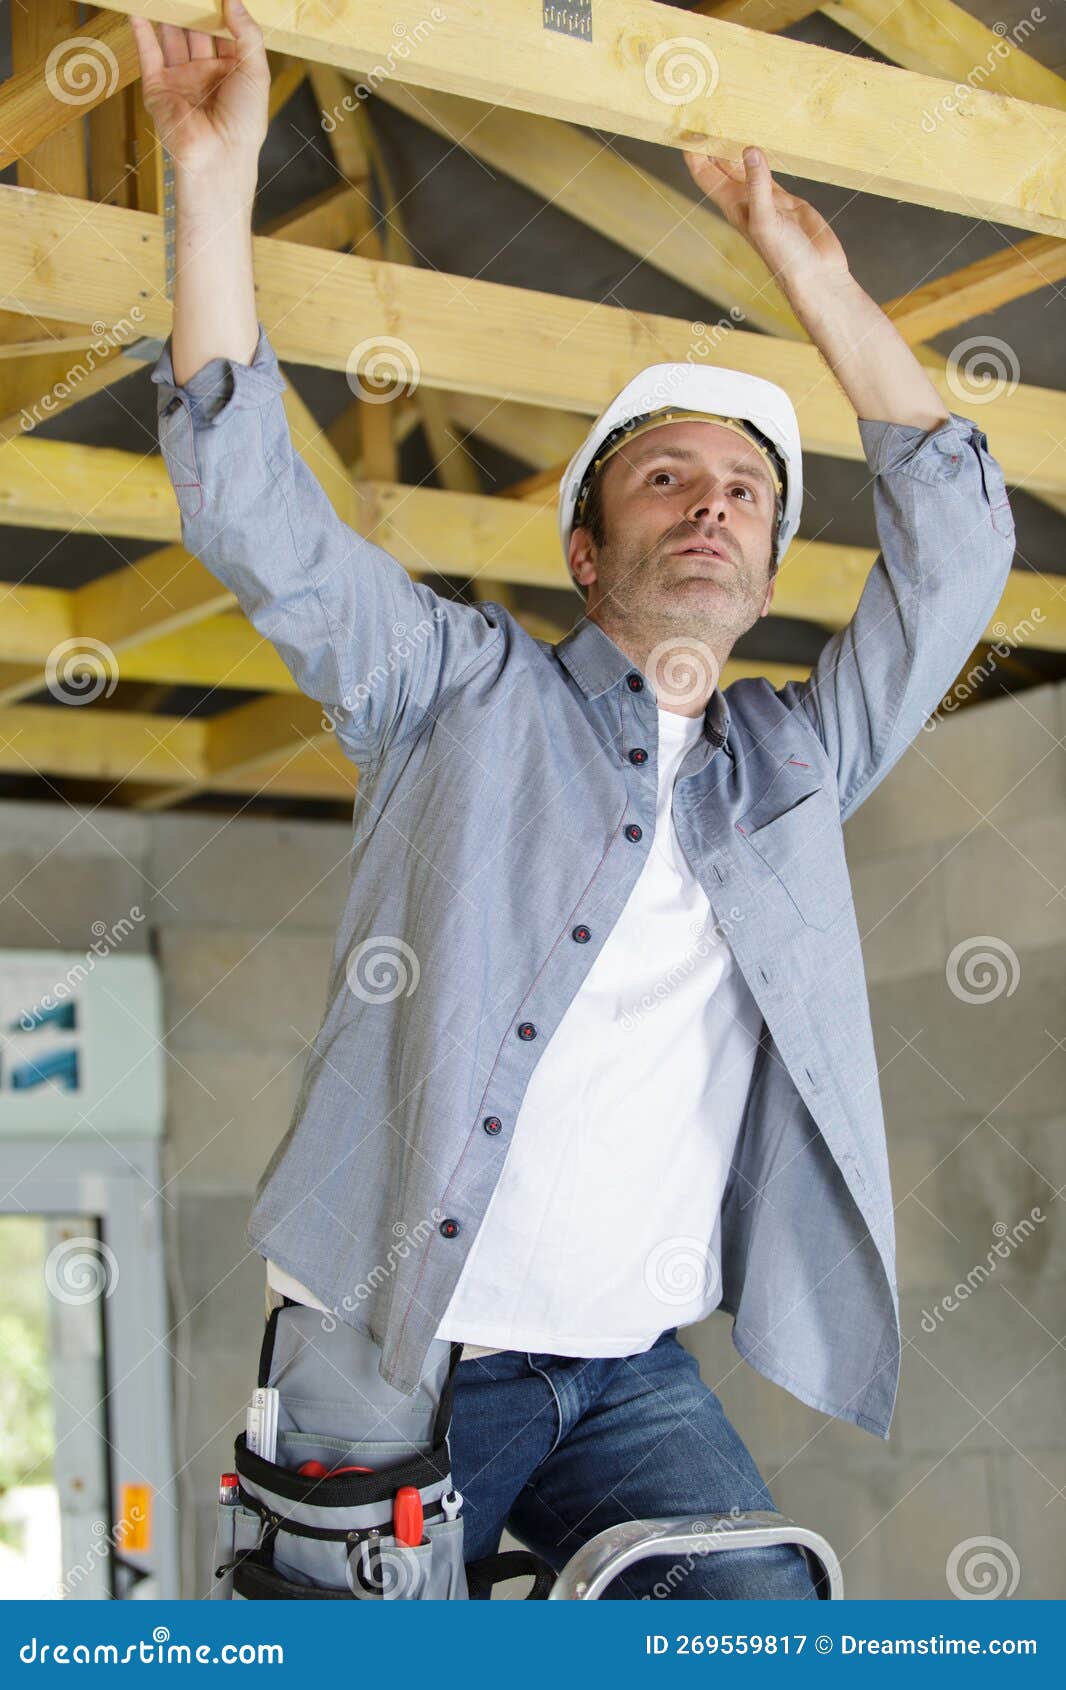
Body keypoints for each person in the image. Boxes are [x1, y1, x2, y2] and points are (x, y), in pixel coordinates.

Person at [132, 0, 1016, 1599]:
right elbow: (251, 506)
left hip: (623, 1367)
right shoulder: (451, 691)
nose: (714, 504)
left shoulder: (792, 769)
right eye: (666, 476)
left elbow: (956, 553)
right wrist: (212, 180)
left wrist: (809, 271)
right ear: (585, 549)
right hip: (396, 1348)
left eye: (746, 489)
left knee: (763, 1619)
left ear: (761, 570)